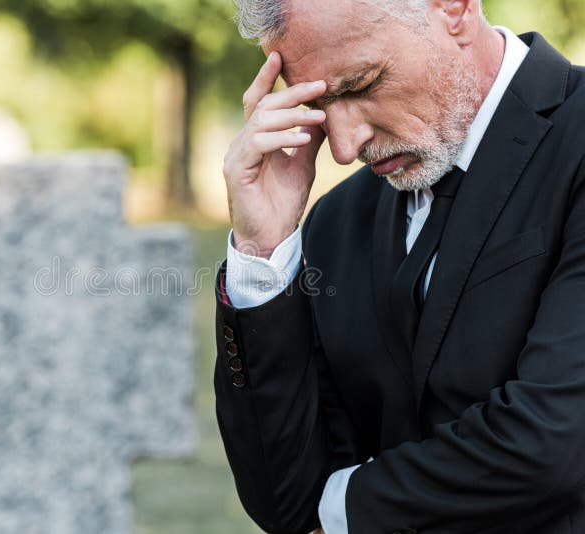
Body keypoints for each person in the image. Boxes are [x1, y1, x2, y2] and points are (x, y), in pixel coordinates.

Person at [214, 0, 585, 533]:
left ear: (453, 9)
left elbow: (555, 445)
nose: (342, 148)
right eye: (316, 108)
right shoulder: (336, 222)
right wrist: (262, 249)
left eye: (361, 84)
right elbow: (282, 498)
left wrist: (339, 509)